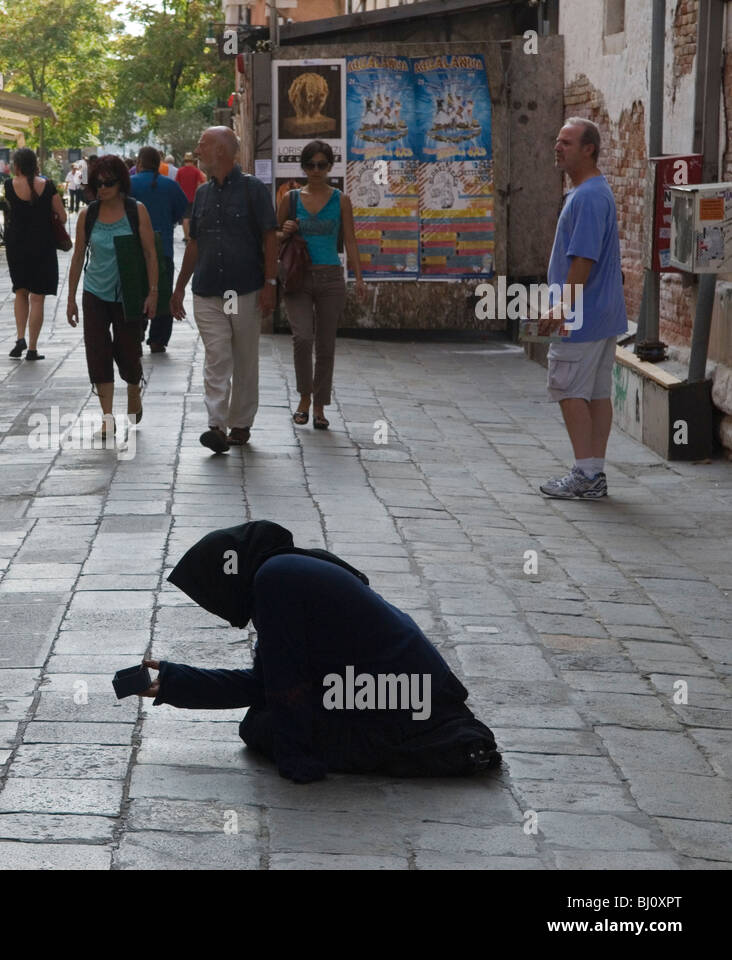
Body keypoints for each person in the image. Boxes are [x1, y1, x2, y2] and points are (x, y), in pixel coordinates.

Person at [137, 521, 502, 783]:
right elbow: (266, 682)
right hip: (414, 688)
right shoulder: (285, 567)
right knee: (263, 718)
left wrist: (296, 759)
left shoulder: (275, 583)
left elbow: (284, 687)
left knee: (262, 726)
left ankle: (451, 748)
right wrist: (172, 682)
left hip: (402, 697)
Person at [171, 126, 278, 453]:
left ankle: (241, 422)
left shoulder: (253, 190)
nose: (197, 150)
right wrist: (179, 288)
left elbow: (270, 236)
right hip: (209, 290)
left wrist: (270, 284)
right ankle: (216, 425)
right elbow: (195, 243)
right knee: (217, 355)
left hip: (241, 290)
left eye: (203, 145)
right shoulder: (202, 194)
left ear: (221, 151)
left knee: (243, 356)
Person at [537, 118, 627, 500]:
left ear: (588, 149)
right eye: (557, 140)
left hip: (581, 316)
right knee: (595, 393)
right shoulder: (592, 192)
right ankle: (594, 473)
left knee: (568, 388)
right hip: (602, 314)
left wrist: (561, 307)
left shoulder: (589, 196)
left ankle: (586, 474)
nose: (558, 147)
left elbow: (583, 259)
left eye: (567, 142)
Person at [64, 154, 159, 438]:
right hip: (94, 292)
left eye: (109, 183)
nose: (102, 188)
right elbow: (79, 255)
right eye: (98, 183)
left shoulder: (136, 211)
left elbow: (150, 253)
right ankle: (107, 417)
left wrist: (153, 292)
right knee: (97, 352)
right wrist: (70, 298)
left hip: (129, 293)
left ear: (121, 183)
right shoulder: (87, 215)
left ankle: (133, 388)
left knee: (129, 351)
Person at [278, 140, 368, 431]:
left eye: (321, 165)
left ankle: (319, 407)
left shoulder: (340, 200)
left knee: (325, 345)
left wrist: (359, 278)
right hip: (298, 277)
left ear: (330, 167)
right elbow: (273, 237)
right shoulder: (290, 199)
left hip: (330, 277)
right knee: (302, 338)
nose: (315, 170)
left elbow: (351, 241)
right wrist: (285, 230)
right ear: (303, 167)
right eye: (310, 165)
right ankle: (304, 397)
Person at [4, 147, 67, 361]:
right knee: (37, 299)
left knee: (20, 292)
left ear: (17, 165)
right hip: (42, 246)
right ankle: (32, 348)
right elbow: (63, 217)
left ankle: (20, 337)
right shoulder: (47, 186)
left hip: (16, 245)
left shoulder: (8, 185)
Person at [129, 146, 188, 354]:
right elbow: (183, 213)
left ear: (139, 163)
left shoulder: (130, 184)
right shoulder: (170, 186)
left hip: (134, 249)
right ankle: (158, 339)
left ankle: (136, 331)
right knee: (163, 295)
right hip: (163, 249)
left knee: (135, 292)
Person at [175, 151, 206, 239]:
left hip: (183, 198)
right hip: (194, 197)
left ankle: (186, 236)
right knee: (193, 217)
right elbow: (201, 183)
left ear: (184, 161)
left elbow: (176, 184)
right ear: (192, 161)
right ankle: (192, 235)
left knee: (185, 218)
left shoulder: (180, 171)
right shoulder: (196, 171)